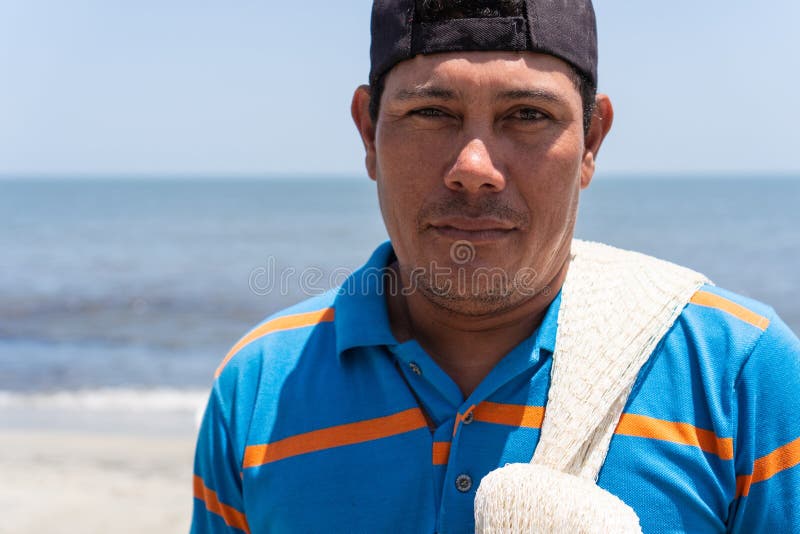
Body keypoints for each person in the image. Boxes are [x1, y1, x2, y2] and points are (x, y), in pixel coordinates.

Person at [191, 1, 800, 532]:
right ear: (369, 132)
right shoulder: (258, 388)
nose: (474, 166)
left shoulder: (738, 375)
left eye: (527, 115)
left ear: (591, 140)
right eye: (431, 113)